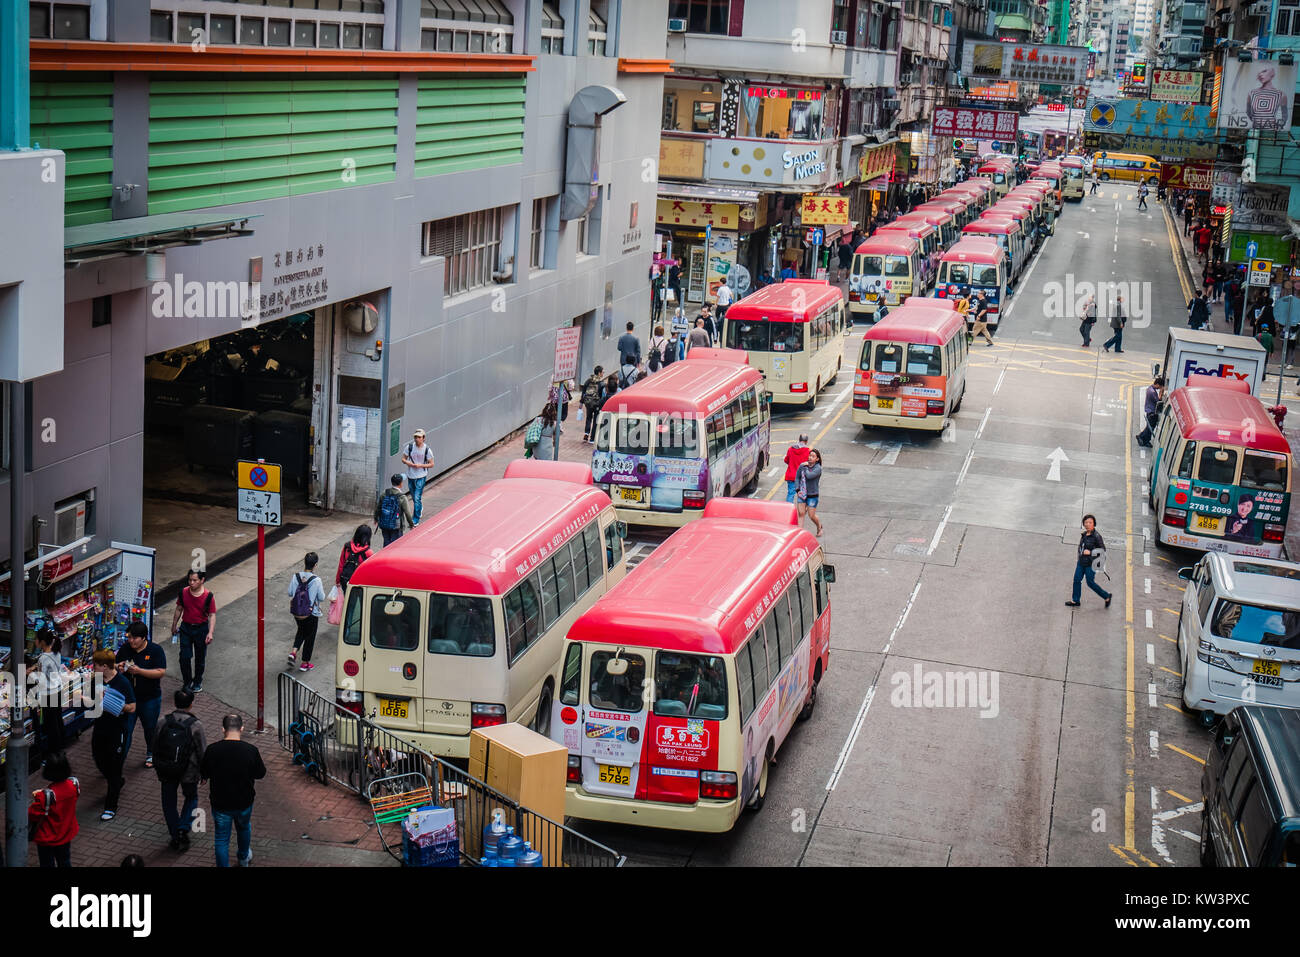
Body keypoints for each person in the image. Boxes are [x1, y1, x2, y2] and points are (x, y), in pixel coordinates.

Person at [201, 713, 267, 868]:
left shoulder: (212, 750)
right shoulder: (251, 750)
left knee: (221, 839)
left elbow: (205, 772)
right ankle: (243, 857)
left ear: (223, 729)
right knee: (244, 828)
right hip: (244, 801)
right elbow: (260, 773)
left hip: (220, 803)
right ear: (242, 728)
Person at [154, 687, 205, 853]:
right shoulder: (196, 725)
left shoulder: (163, 721)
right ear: (191, 704)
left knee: (168, 802)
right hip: (189, 771)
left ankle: (175, 834)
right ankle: (184, 827)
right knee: (191, 797)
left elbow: (155, 744)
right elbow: (201, 750)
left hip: (167, 769)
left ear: (175, 702)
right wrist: (204, 772)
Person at [91, 649, 134, 821]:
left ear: (104, 666)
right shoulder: (96, 680)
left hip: (116, 730)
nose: (93, 668)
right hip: (100, 727)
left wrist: (119, 706)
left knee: (115, 767)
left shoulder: (122, 683)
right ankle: (115, 781)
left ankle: (111, 806)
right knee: (98, 758)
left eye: (95, 665)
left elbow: (133, 707)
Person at [117, 620, 167, 769]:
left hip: (150, 699)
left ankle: (151, 753)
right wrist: (119, 666)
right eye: (129, 637)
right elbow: (115, 663)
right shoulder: (125, 649)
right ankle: (120, 758)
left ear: (144, 637)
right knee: (126, 729)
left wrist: (139, 671)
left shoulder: (155, 650)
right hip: (129, 699)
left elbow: (160, 672)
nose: (131, 641)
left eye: (134, 638)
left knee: (150, 728)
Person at [28, 750, 79, 867]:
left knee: (47, 863)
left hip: (47, 838)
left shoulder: (44, 797)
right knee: (65, 861)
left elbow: (32, 814)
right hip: (66, 833)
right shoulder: (73, 785)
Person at [170, 569, 216, 695]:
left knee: (200, 658)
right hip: (186, 628)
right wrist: (174, 625)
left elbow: (212, 615)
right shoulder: (183, 592)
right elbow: (179, 609)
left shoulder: (208, 596)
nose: (191, 583)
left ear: (202, 580)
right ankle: (187, 682)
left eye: (195, 580)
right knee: (184, 657)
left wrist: (210, 632)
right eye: (190, 580)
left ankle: (197, 682)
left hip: (201, 629)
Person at [286, 551, 326, 672]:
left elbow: (290, 593)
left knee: (301, 630)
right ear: (315, 565)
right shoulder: (316, 580)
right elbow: (322, 597)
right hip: (311, 613)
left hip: (297, 612)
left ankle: (293, 652)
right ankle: (305, 663)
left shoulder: (295, 576)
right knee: (310, 636)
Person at [1065, 514, 1112, 608]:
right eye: (1086, 522)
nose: (1087, 524)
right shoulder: (1085, 534)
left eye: (1090, 522)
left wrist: (1090, 552)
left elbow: (1102, 550)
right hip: (1081, 562)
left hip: (1090, 564)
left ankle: (1106, 596)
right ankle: (1075, 600)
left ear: (1094, 524)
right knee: (1077, 580)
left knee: (1090, 582)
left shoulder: (1097, 536)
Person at [33, 628, 65, 756]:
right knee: (57, 719)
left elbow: (40, 679)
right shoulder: (56, 653)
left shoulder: (43, 658)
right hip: (57, 690)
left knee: (51, 725)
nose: (34, 641)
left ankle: (54, 753)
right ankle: (60, 748)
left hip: (48, 694)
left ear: (41, 642)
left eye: (36, 639)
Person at [399, 429, 434, 527]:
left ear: (424, 438)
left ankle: (415, 519)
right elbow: (403, 459)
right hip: (411, 475)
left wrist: (421, 465)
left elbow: (432, 464)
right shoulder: (409, 447)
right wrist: (408, 463)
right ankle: (420, 507)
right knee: (414, 497)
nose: (417, 439)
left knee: (417, 498)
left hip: (421, 476)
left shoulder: (427, 450)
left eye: (419, 437)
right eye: (415, 437)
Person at [374, 473, 414, 547]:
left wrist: (376, 518)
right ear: (401, 483)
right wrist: (411, 525)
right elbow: (407, 513)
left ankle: (384, 557)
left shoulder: (384, 493)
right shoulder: (402, 497)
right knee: (396, 546)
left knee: (386, 543)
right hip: (396, 525)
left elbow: (378, 507)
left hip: (384, 523)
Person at [336, 524, 373, 594]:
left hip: (345, 579)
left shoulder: (347, 547)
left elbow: (341, 565)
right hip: (359, 582)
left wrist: (338, 580)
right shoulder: (368, 553)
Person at [796, 449, 824, 537]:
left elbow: (809, 476)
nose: (810, 457)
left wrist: (805, 467)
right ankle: (799, 533)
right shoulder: (802, 465)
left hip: (812, 495)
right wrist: (797, 490)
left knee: (811, 515)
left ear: (817, 459)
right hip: (802, 494)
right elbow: (797, 477)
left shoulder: (818, 468)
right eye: (809, 455)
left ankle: (819, 526)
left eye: (813, 456)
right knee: (801, 513)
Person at [1135, 376, 1165, 447]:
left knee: (1150, 427)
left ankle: (1144, 439)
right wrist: (1161, 393)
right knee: (1150, 427)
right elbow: (1158, 401)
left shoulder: (1150, 389)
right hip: (1151, 412)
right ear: (1157, 384)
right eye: (1160, 386)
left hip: (1150, 410)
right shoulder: (1152, 392)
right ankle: (1142, 437)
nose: (1159, 388)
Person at [783, 433, 812, 504]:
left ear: (799, 440)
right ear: (806, 441)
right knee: (802, 496)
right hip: (802, 477)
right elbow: (809, 464)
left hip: (791, 476)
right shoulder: (808, 451)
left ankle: (788, 511)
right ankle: (801, 511)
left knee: (790, 494)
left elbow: (786, 460)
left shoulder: (790, 449)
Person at [580, 366, 605, 443]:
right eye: (603, 372)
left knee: (588, 417)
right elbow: (603, 396)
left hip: (588, 403)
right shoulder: (601, 383)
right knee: (595, 421)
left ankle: (586, 433)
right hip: (597, 404)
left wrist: (581, 402)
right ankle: (592, 438)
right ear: (599, 373)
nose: (603, 373)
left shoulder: (588, 381)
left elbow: (583, 392)